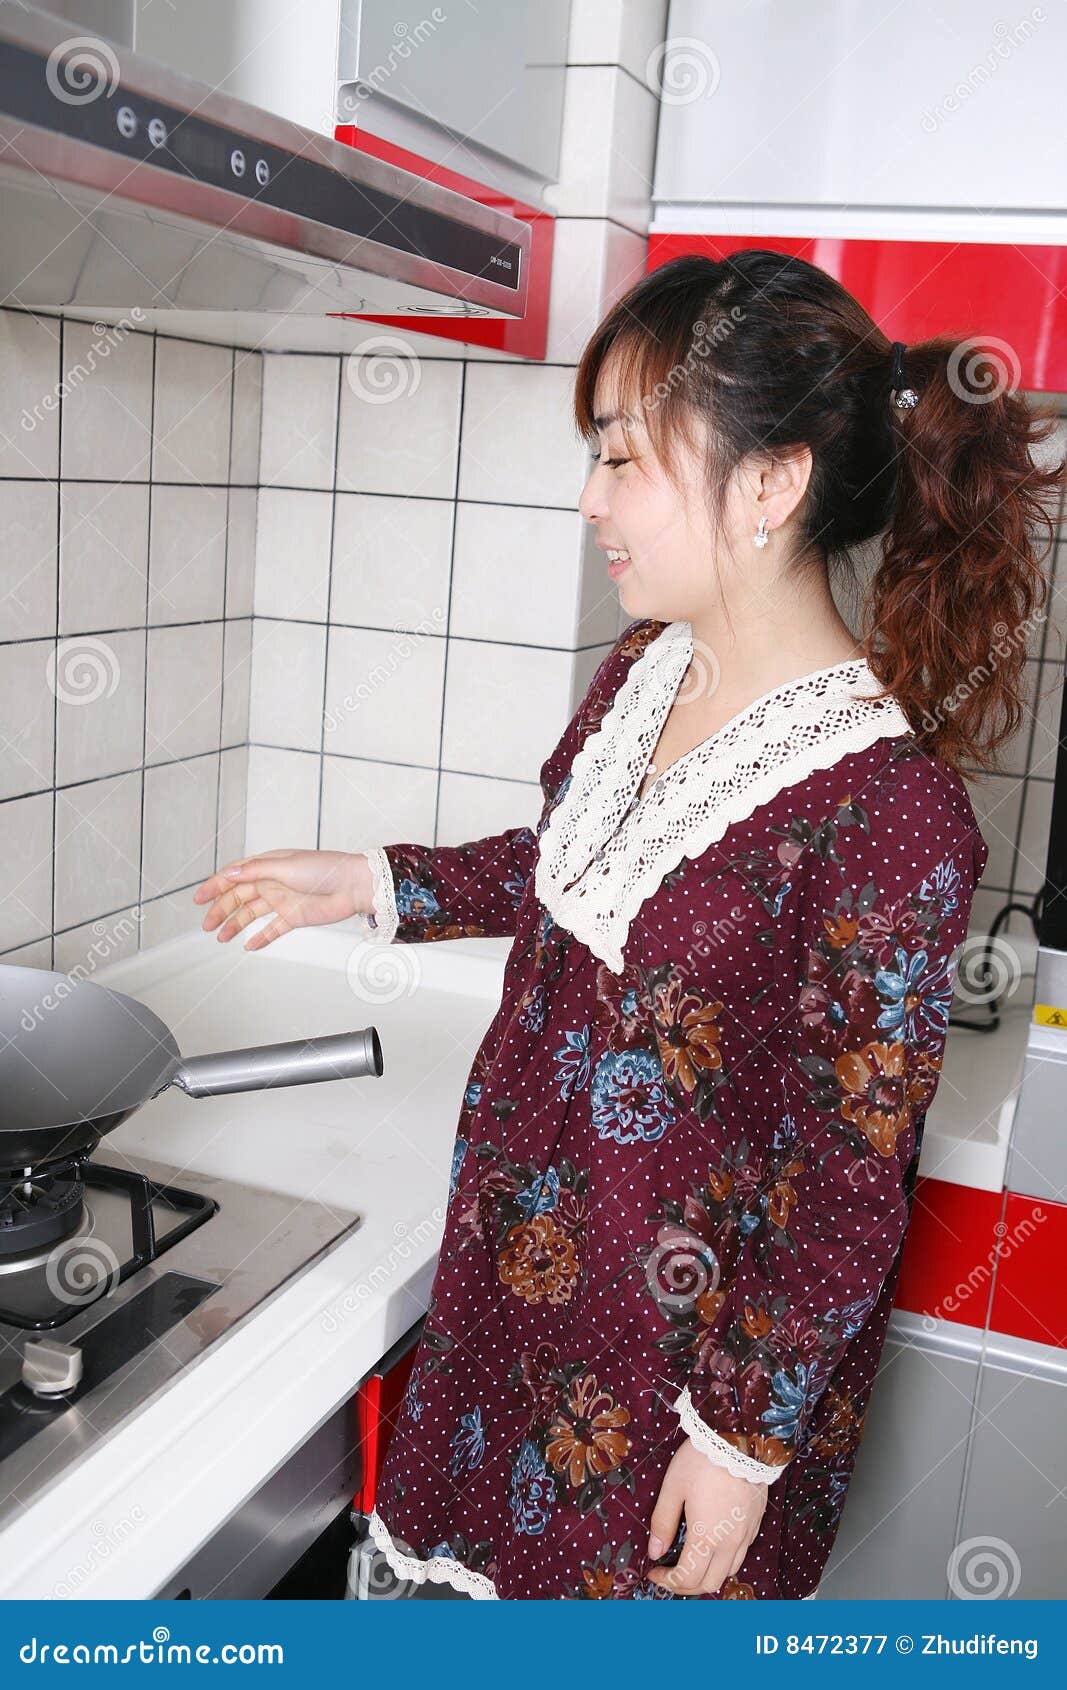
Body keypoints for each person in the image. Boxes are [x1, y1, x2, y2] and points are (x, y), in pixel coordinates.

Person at [193, 250, 1062, 1600]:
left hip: (656, 1403)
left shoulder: (891, 813)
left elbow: (845, 1188)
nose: (591, 499)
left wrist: (739, 1444)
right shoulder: (645, 672)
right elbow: (578, 873)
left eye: (625, 461)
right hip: (507, 1307)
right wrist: (374, 881)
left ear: (771, 485)